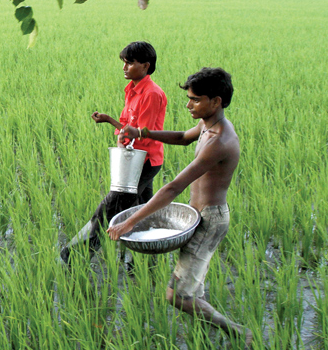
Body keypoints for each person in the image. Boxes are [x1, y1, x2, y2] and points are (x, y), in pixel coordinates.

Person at [107, 67, 253, 347]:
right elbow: (183, 138)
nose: (188, 104)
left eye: (195, 99)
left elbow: (174, 187)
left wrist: (130, 222)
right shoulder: (207, 125)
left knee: (176, 296)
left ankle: (239, 333)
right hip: (198, 214)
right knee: (191, 286)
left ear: (216, 101)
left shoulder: (219, 140)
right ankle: (205, 333)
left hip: (210, 221)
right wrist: (142, 131)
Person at [61, 41, 167, 264]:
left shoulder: (151, 94)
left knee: (109, 209)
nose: (124, 67)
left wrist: (127, 135)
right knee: (144, 212)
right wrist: (110, 120)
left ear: (145, 66)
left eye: (129, 63)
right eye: (124, 63)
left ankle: (73, 258)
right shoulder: (132, 90)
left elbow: (144, 133)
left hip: (143, 161)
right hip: (133, 159)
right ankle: (147, 264)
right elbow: (128, 126)